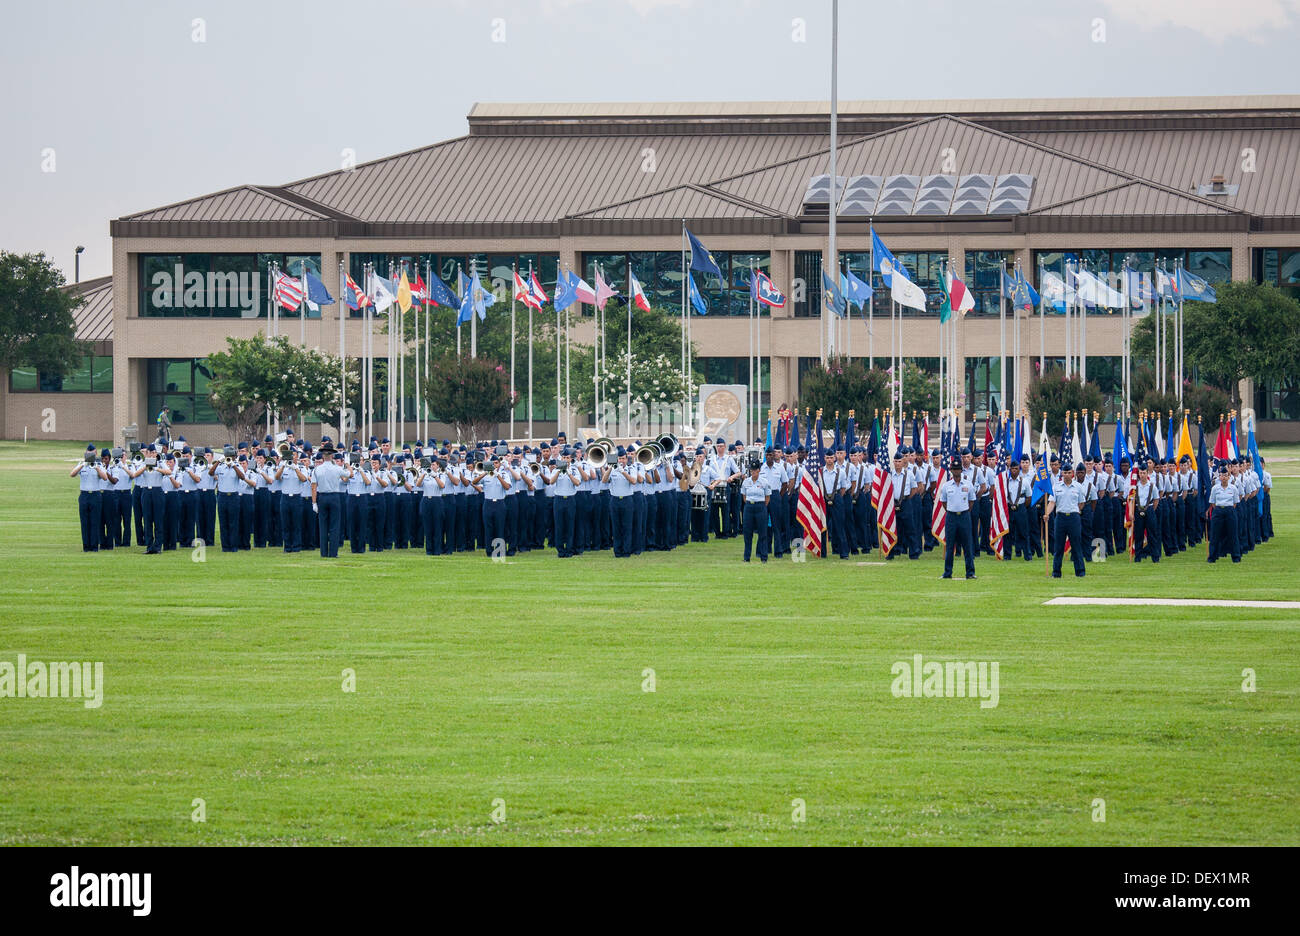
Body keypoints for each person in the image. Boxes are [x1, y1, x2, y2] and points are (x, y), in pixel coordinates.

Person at [939, 455, 976, 579]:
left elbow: (971, 500)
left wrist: (963, 510)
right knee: (950, 546)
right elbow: (943, 502)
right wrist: (952, 510)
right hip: (951, 517)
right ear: (951, 471)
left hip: (964, 516)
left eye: (958, 469)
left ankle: (970, 572)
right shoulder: (946, 486)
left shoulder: (968, 484)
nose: (956, 471)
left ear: (961, 470)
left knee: (967, 545)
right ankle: (947, 573)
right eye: (954, 469)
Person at [1049, 462, 1087, 578]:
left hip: (1074, 518)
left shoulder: (1078, 487)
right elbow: (1052, 502)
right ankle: (1056, 572)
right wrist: (1047, 513)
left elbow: (1081, 503)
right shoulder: (1056, 487)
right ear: (1062, 474)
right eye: (1065, 473)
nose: (1066, 475)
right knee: (1058, 547)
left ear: (1073, 474)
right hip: (1060, 518)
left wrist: (1074, 511)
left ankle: (1080, 572)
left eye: (1069, 472)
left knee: (1076, 546)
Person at [70, 446, 110, 551]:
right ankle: (86, 546)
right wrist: (83, 464)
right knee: (85, 522)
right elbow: (72, 474)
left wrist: (96, 467)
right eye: (89, 454)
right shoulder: (81, 464)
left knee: (95, 522)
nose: (91, 456)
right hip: (84, 495)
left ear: (96, 454)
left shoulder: (99, 464)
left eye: (93, 454)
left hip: (95, 495)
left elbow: (105, 478)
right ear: (85, 454)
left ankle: (94, 546)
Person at [1207, 464, 1240, 563]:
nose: (1224, 477)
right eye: (1222, 475)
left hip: (1230, 511)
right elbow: (1212, 502)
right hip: (1218, 511)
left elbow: (1235, 502)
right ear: (1219, 477)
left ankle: (1236, 557)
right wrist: (1220, 509)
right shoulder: (1215, 488)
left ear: (1229, 477)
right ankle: (1212, 557)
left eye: (1226, 475)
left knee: (1233, 535)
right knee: (1215, 535)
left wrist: (1227, 509)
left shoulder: (1233, 488)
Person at [740, 462, 770, 562]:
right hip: (749, 506)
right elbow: (744, 496)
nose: (752, 472)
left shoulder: (764, 482)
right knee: (747, 533)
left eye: (754, 470)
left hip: (760, 506)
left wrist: (760, 505)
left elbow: (767, 498)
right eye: (751, 470)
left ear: (759, 470)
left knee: (762, 533)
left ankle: (763, 557)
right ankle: (746, 557)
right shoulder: (746, 482)